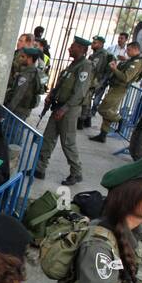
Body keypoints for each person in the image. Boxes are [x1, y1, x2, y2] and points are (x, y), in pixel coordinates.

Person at [34, 36, 94, 185]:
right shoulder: (73, 65)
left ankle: (76, 172)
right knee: (48, 139)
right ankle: (40, 169)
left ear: (81, 49)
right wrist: (51, 95)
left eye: (73, 46)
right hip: (59, 107)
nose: (69, 48)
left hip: (69, 110)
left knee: (67, 142)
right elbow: (61, 85)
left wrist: (66, 108)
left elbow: (80, 92)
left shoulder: (85, 66)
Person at [89, 40, 142, 142]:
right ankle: (103, 134)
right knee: (110, 111)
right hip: (115, 86)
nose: (127, 52)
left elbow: (126, 77)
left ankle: (120, 120)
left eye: (129, 50)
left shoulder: (137, 63)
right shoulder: (130, 60)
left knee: (103, 109)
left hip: (119, 89)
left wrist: (115, 69)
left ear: (135, 49)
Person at [4, 46, 42, 122]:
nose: (20, 59)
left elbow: (19, 94)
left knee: (11, 132)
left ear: (30, 59)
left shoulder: (26, 75)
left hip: (17, 110)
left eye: (23, 57)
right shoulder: (34, 71)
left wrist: (9, 110)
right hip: (22, 110)